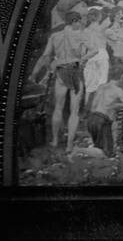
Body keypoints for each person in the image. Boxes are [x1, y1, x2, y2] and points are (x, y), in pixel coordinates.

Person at [30, 10, 98, 151]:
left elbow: (44, 57)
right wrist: (83, 59)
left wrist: (33, 74)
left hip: (60, 73)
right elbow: (95, 50)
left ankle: (55, 141)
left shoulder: (55, 36)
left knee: (58, 108)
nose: (80, 24)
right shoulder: (80, 35)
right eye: (79, 21)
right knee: (74, 111)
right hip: (74, 72)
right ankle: (69, 145)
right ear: (74, 21)